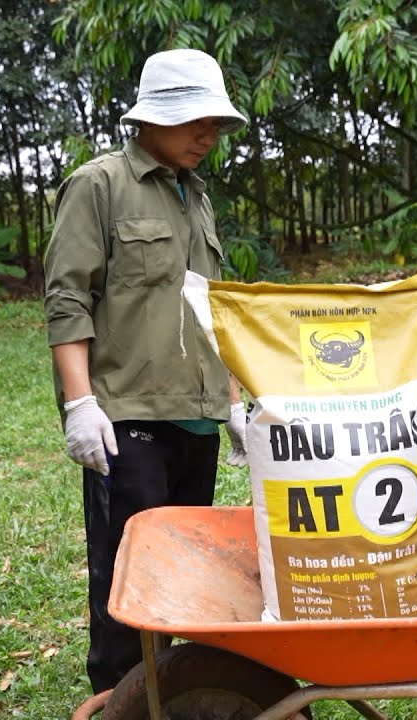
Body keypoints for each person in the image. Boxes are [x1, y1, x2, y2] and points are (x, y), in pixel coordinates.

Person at [43, 48, 250, 694]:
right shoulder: (100, 186)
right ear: (152, 117)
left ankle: (173, 695)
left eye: (216, 122)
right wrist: (81, 405)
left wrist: (233, 400)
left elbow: (213, 308)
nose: (208, 133)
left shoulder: (198, 198)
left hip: (196, 420)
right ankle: (119, 698)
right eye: (196, 119)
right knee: (126, 577)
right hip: (126, 418)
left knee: (184, 573)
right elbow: (68, 298)